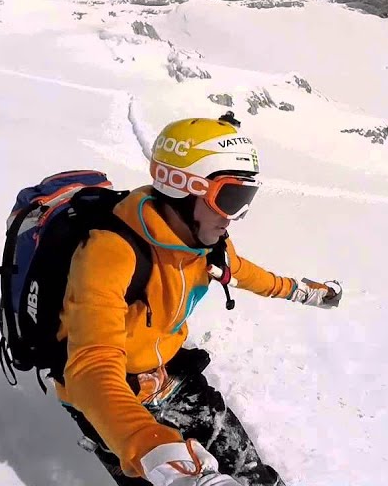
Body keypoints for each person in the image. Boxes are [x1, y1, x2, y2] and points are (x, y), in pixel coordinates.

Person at [54, 112, 343, 486]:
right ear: (181, 186)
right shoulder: (109, 253)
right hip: (113, 399)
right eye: (230, 197)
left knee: (255, 476)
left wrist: (308, 292)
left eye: (246, 198)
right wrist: (157, 450)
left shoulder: (205, 244)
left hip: (171, 374)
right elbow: (91, 367)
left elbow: (250, 275)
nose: (235, 217)